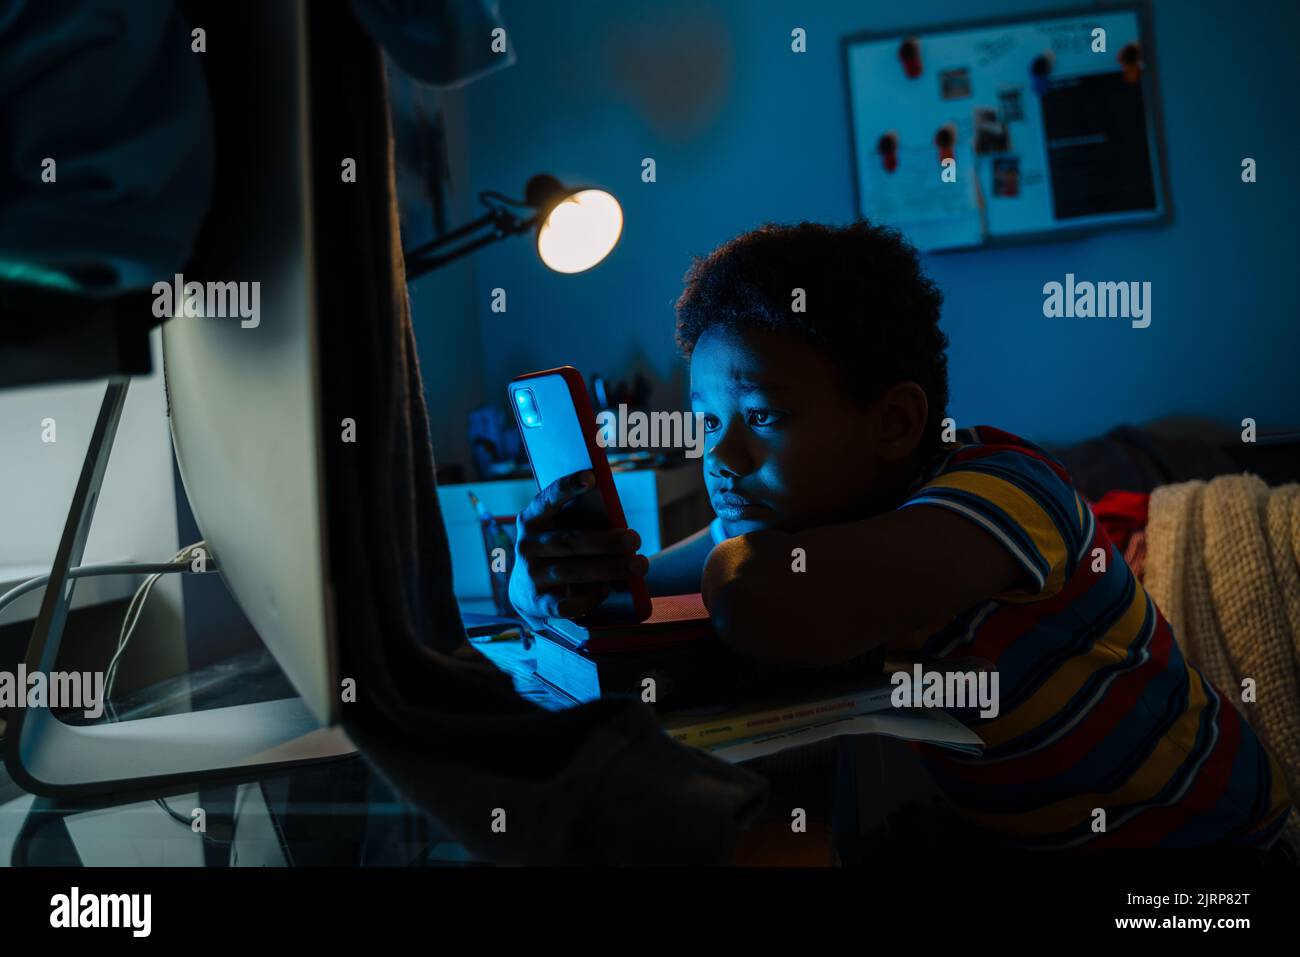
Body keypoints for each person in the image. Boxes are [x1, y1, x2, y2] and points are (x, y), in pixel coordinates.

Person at [508, 220, 1292, 854]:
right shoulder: (799, 519)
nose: (720, 454)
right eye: (708, 420)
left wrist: (718, 569)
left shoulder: (1004, 487)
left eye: (764, 417)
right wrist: (541, 579)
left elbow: (753, 594)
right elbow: (647, 588)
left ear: (895, 423)